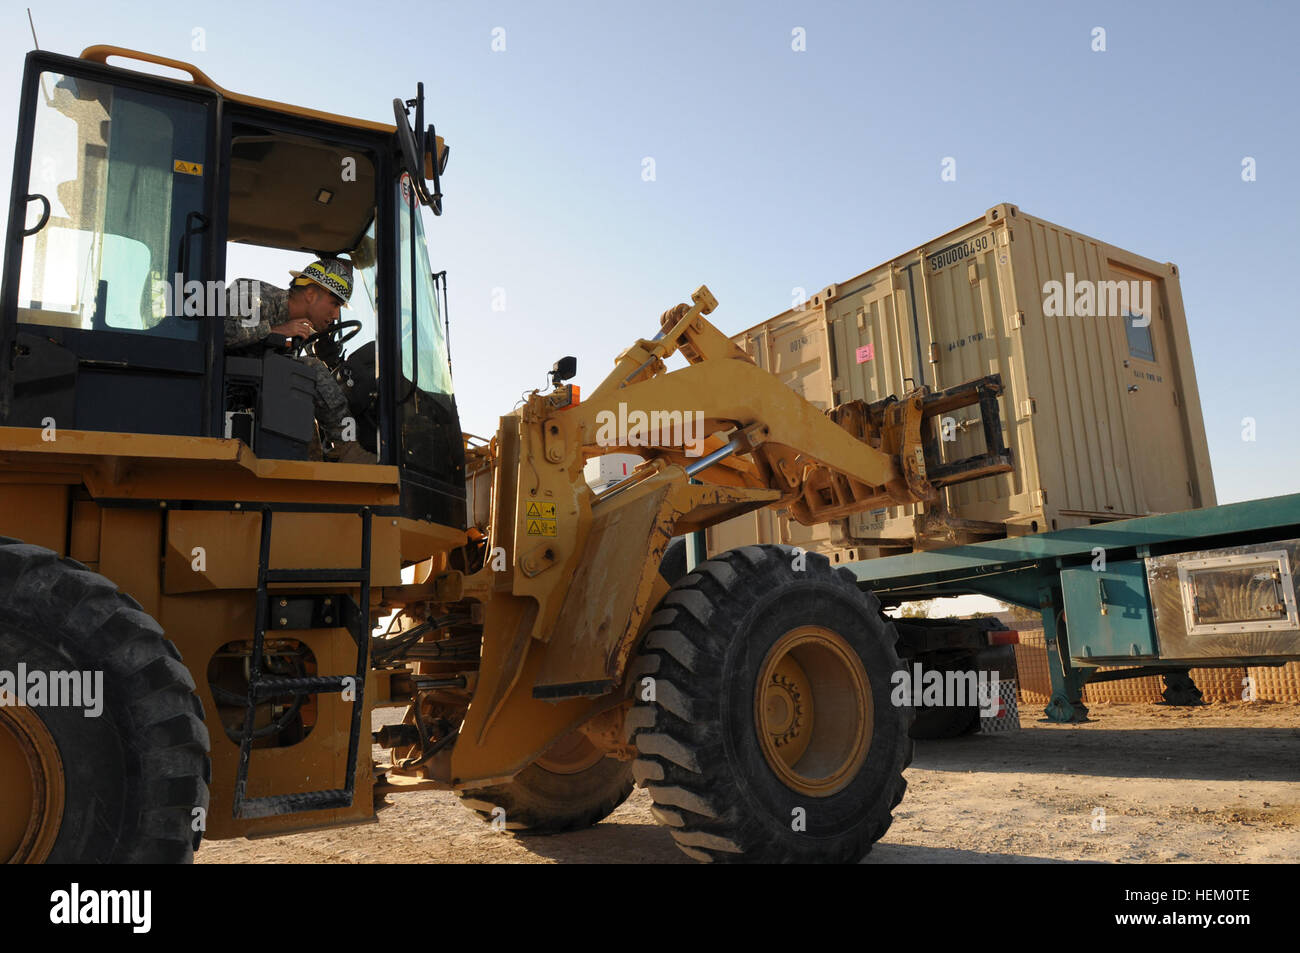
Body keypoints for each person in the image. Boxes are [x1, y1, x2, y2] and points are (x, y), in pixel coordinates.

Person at [224, 258, 374, 463]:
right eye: (334, 303)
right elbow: (219, 331)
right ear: (311, 294)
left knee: (302, 393)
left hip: (255, 393)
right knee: (311, 370)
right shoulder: (253, 295)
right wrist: (275, 331)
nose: (336, 314)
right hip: (226, 394)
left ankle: (315, 464)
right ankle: (346, 446)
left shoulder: (291, 324)